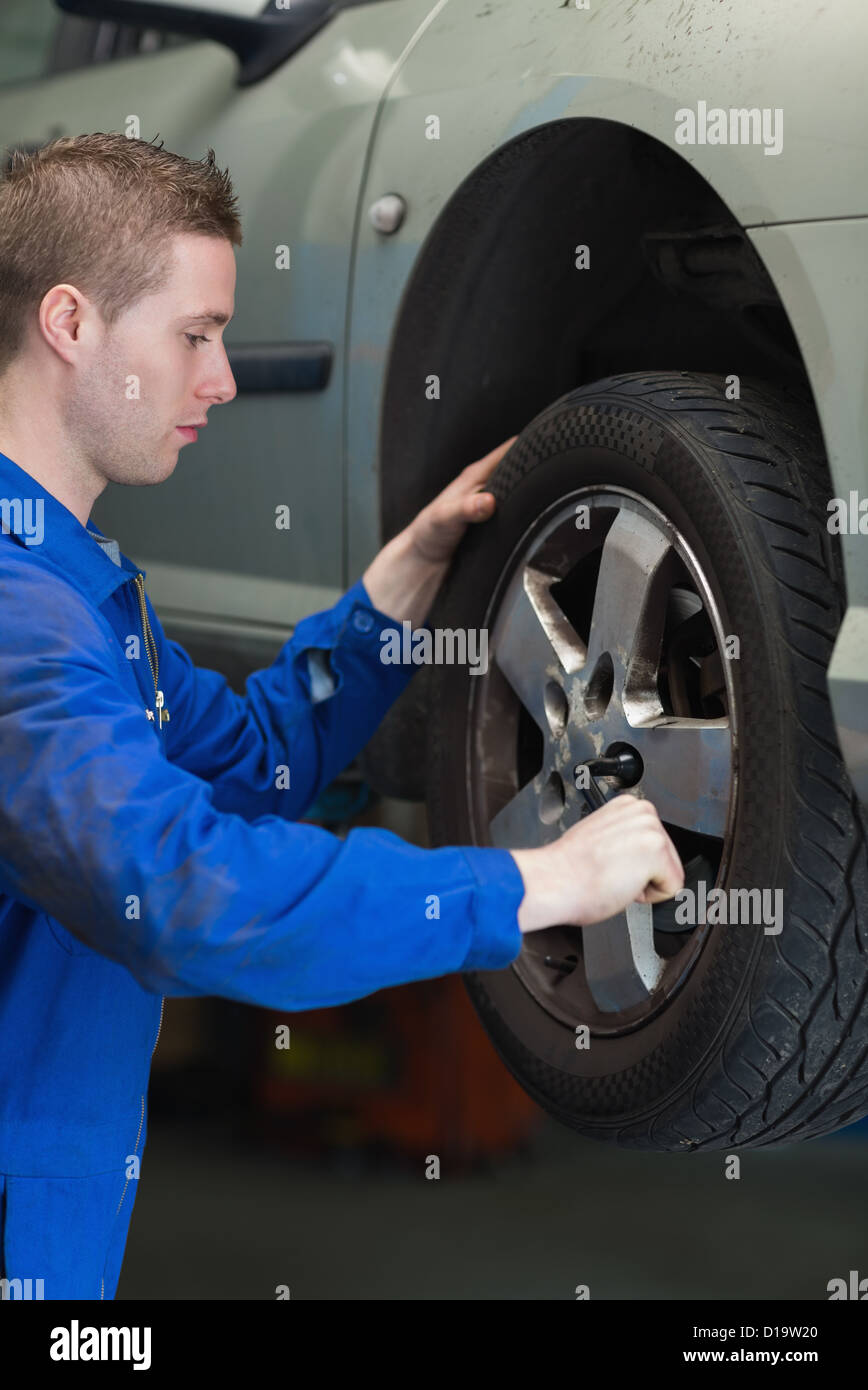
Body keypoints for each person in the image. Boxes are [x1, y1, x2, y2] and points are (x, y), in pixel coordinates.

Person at [0, 133, 683, 1300]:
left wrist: (392, 593)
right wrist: (531, 886)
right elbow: (178, 893)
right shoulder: (21, 613)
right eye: (195, 334)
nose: (219, 378)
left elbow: (254, 764)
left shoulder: (71, 582)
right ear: (70, 324)